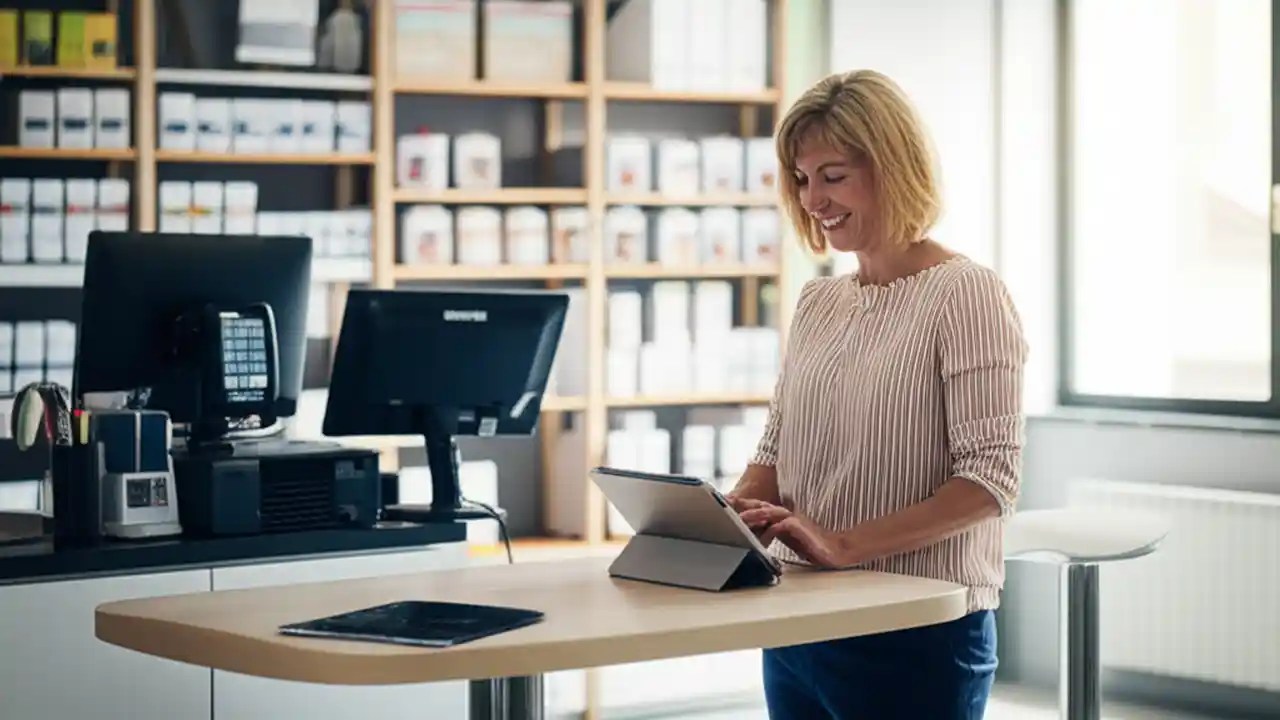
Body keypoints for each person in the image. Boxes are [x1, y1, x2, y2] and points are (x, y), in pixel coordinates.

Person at [727, 69, 1028, 719]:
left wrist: (843, 544)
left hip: (916, 630)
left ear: (893, 168)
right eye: (802, 179)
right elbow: (778, 448)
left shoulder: (965, 293)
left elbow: (991, 479)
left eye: (833, 176)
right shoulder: (819, 300)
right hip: (798, 623)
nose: (813, 199)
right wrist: (719, 519)